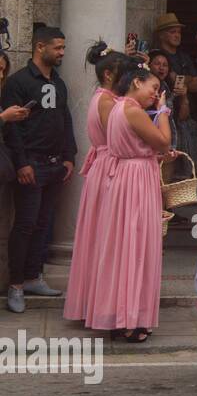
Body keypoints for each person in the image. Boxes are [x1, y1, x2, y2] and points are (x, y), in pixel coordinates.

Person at [81, 66, 177, 341]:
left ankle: (119, 315)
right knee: (137, 246)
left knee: (122, 246)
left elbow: (137, 146)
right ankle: (131, 320)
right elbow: (163, 141)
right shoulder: (132, 109)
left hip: (127, 175)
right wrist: (164, 111)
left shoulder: (117, 108)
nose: (155, 95)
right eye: (153, 88)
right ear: (136, 81)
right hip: (136, 180)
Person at [2, 26, 76, 313]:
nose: (61, 53)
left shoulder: (59, 83)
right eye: (57, 48)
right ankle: (16, 285)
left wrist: (69, 155)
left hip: (55, 165)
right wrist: (21, 162)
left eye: (63, 48)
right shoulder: (18, 82)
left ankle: (33, 277)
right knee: (25, 225)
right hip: (30, 164)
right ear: (40, 47)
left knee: (43, 225)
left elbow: (65, 120)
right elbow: (12, 129)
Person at [64, 43, 133, 323]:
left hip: (102, 165)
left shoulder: (100, 96)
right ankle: (107, 307)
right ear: (108, 75)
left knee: (99, 238)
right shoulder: (108, 101)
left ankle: (95, 303)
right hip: (110, 167)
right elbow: (118, 136)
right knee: (109, 238)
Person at [153, 13, 197, 166]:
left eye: (179, 32)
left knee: (186, 164)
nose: (177, 35)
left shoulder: (184, 56)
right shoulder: (156, 55)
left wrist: (182, 79)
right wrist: (187, 79)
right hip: (164, 118)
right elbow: (170, 79)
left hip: (184, 114)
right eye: (172, 32)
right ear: (161, 35)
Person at [147, 50, 190, 177]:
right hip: (151, 144)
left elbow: (182, 117)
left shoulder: (168, 88)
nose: (161, 68)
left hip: (169, 145)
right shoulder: (145, 89)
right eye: (157, 64)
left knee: (165, 184)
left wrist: (183, 97)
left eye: (165, 65)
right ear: (148, 66)